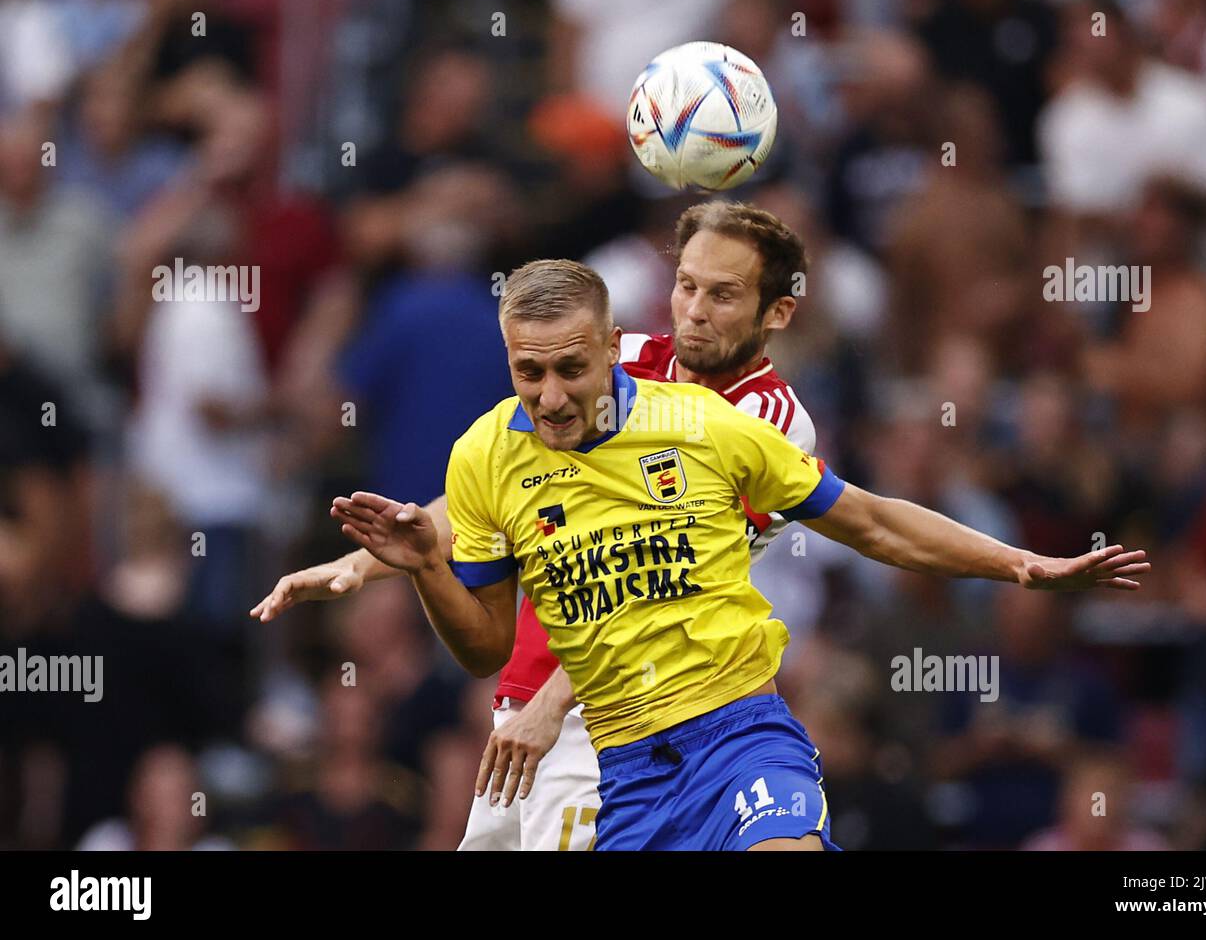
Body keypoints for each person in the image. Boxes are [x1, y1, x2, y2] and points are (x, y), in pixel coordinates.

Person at [324, 258, 1150, 851]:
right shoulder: (485, 456)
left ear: (614, 346)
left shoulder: (706, 428)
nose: (548, 395)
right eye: (526, 372)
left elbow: (869, 520)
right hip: (615, 765)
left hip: (733, 730)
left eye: (570, 369)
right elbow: (482, 649)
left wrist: (1017, 562)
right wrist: (417, 564)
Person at [254, 202, 820, 850]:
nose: (693, 309)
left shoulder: (774, 426)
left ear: (776, 312)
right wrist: (365, 562)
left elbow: (656, 593)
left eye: (722, 294)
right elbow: (499, 488)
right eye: (686, 285)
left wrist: (555, 705)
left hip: (624, 718)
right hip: (525, 710)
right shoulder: (621, 358)